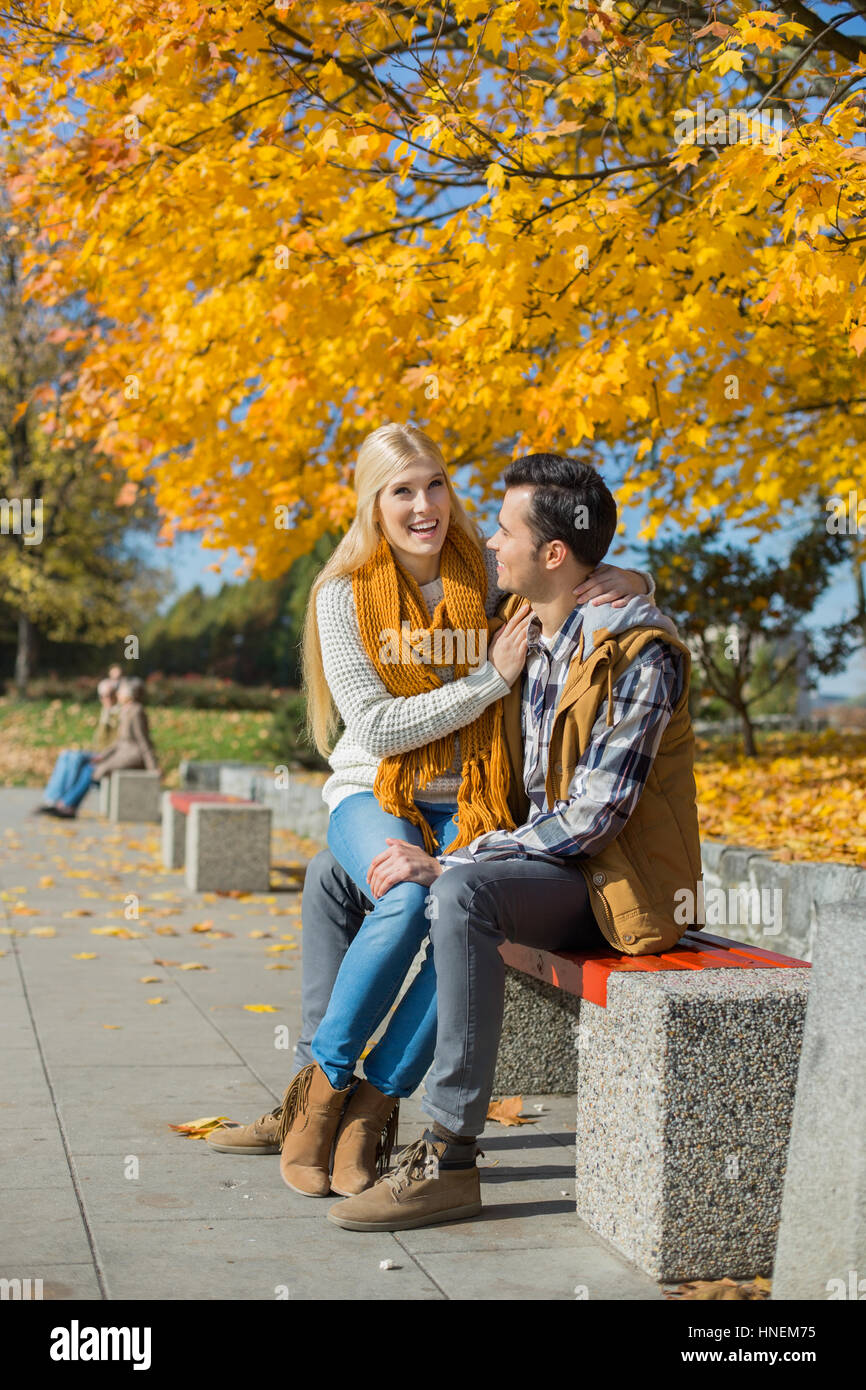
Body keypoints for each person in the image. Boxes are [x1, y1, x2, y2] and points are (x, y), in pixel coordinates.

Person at [205, 424, 652, 1197]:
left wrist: (637, 579)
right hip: (373, 789)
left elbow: (563, 568)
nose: (424, 506)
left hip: (476, 799)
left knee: (462, 911)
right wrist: (488, 679)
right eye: (402, 490)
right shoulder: (341, 594)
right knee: (406, 893)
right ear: (372, 503)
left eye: (436, 484)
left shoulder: (485, 571)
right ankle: (323, 1091)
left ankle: (374, 1105)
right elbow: (373, 726)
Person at [304, 453, 702, 1233]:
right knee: (334, 873)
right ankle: (323, 1095)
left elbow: (594, 818)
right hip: (549, 866)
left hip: (613, 885)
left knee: (457, 893)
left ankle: (448, 1155)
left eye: (505, 531)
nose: (488, 541)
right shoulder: (536, 630)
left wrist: (451, 856)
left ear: (552, 554)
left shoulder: (638, 655)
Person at [45, 676, 159, 818]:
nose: (118, 694)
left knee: (93, 769)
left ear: (130, 694)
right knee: (90, 767)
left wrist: (153, 766)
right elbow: (119, 741)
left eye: (121, 691)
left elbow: (144, 741)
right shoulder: (127, 710)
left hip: (132, 756)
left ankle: (67, 805)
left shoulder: (137, 711)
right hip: (122, 753)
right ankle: (67, 804)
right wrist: (102, 756)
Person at [35, 676, 119, 815]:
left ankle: (60, 801)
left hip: (107, 755)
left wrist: (102, 755)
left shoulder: (120, 713)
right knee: (66, 755)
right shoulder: (106, 712)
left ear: (116, 694)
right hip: (98, 752)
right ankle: (51, 800)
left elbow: (119, 743)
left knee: (76, 758)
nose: (106, 699)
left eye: (109, 695)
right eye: (102, 696)